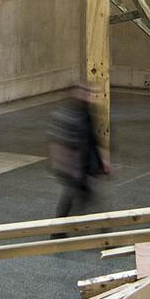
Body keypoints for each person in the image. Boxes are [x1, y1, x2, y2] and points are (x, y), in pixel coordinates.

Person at [48, 83, 108, 217]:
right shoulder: (70, 116)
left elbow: (91, 139)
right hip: (73, 168)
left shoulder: (86, 112)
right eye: (88, 93)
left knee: (73, 195)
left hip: (78, 167)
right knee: (79, 196)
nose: (92, 96)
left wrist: (100, 162)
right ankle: (63, 227)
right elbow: (65, 145)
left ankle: (60, 228)